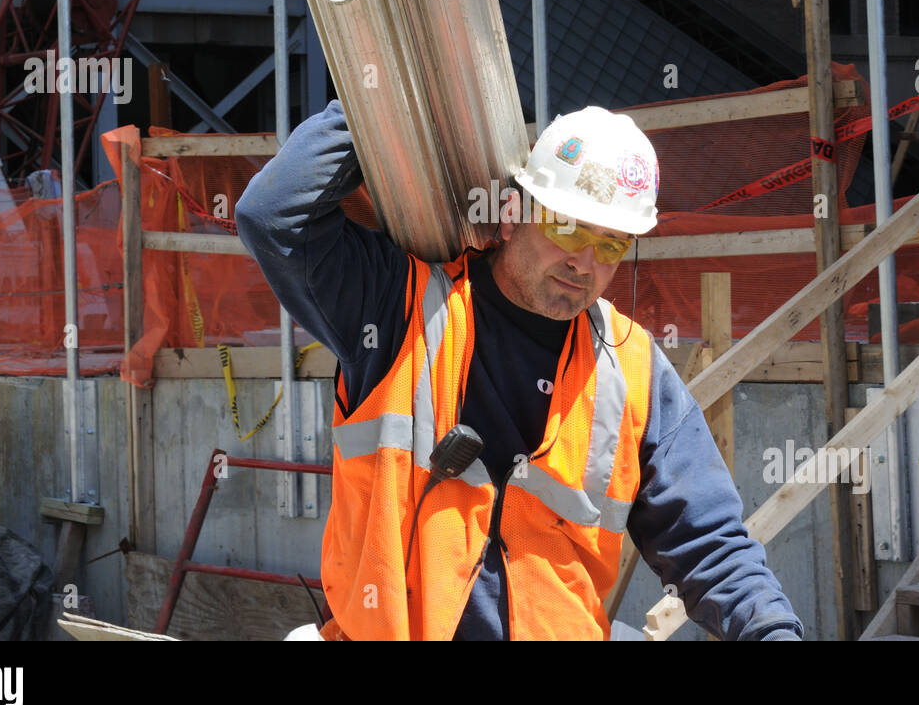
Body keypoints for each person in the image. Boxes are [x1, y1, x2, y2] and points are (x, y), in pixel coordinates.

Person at [235, 98, 804, 641]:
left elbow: (708, 542)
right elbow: (273, 214)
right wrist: (377, 95)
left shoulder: (634, 370)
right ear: (512, 215)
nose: (584, 262)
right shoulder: (397, 309)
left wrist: (770, 630)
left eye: (610, 245)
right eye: (567, 228)